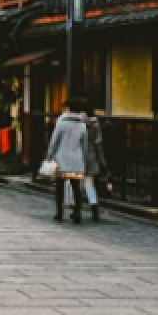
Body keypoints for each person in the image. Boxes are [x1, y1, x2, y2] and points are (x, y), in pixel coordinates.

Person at [43, 96, 102, 226]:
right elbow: (84, 145)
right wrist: (84, 159)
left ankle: (59, 212)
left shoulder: (61, 122)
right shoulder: (81, 125)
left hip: (61, 158)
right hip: (77, 159)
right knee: (76, 188)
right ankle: (77, 213)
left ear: (68, 109)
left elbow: (54, 141)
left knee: (59, 187)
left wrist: (49, 155)